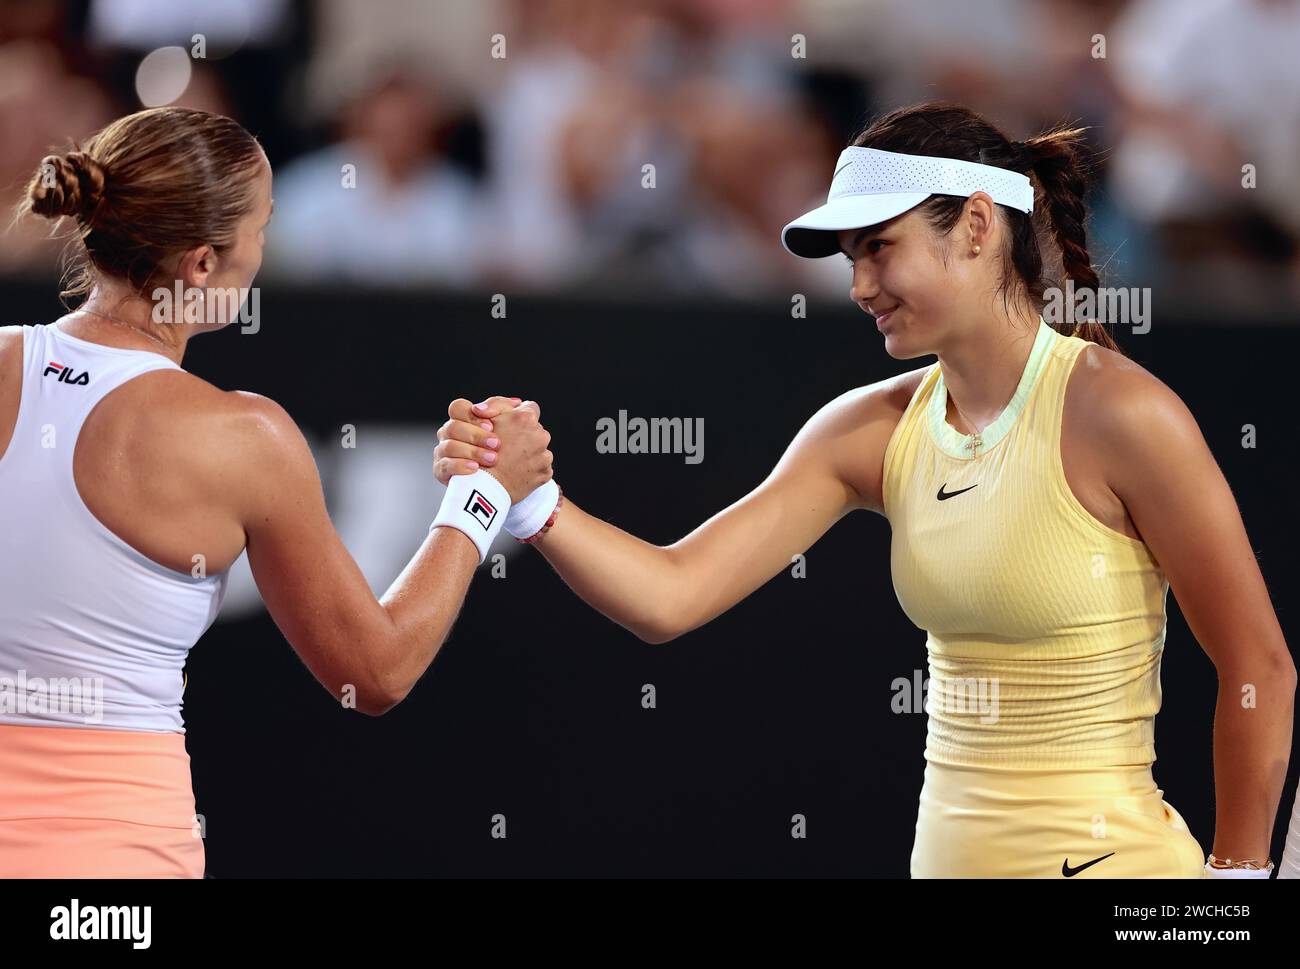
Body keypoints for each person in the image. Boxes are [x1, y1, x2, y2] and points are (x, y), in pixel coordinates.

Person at [436, 101, 1295, 878]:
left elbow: (1258, 665)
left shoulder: (1125, 413)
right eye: (851, 259)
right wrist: (533, 500)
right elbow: (671, 594)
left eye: (879, 248)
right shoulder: (867, 430)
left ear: (977, 227)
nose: (857, 288)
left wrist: (1235, 888)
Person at [0, 106, 553, 877]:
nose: (266, 250)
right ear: (200, 264)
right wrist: (482, 496)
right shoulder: (245, 437)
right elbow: (376, 672)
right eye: (261, 227)